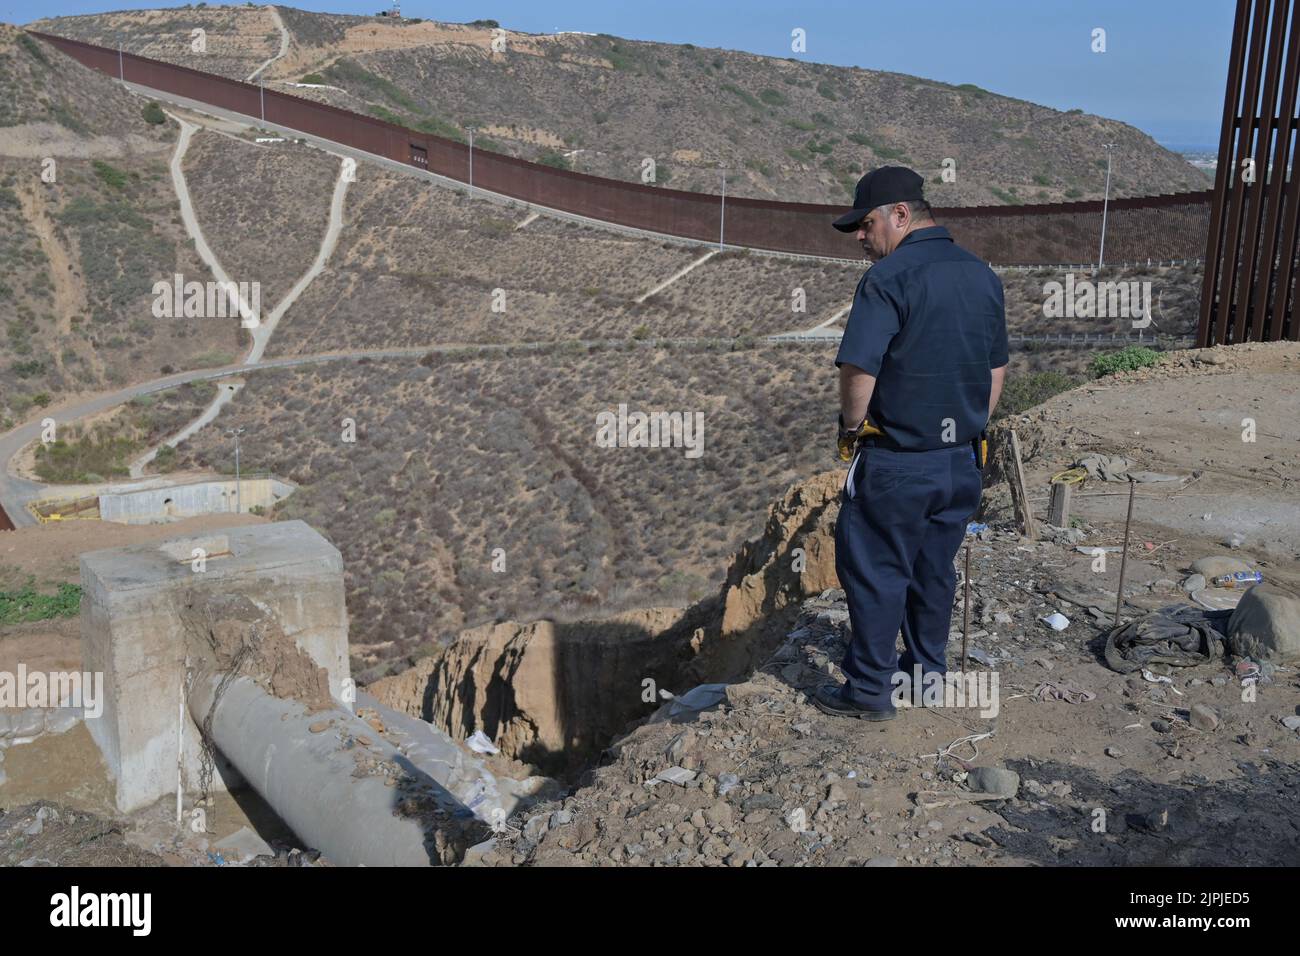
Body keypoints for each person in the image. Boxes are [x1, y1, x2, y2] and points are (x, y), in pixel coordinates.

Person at [814, 166, 1009, 721]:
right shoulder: (980, 275)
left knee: (877, 572)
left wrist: (852, 430)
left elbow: (859, 367)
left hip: (897, 462)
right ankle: (926, 677)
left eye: (866, 223)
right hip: (960, 463)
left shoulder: (888, 278)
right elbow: (996, 368)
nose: (860, 236)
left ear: (900, 215)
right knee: (934, 571)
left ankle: (869, 692)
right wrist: (966, 425)